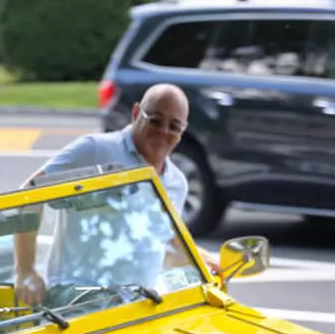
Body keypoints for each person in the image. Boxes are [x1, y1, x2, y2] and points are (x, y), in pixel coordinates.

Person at [13, 83, 220, 307]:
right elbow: (28, 195)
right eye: (155, 120)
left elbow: (161, 238)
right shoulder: (95, 150)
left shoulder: (176, 182)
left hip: (139, 305)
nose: (163, 131)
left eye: (174, 126)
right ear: (135, 113)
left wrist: (202, 259)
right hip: (79, 298)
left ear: (182, 133)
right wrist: (25, 270)